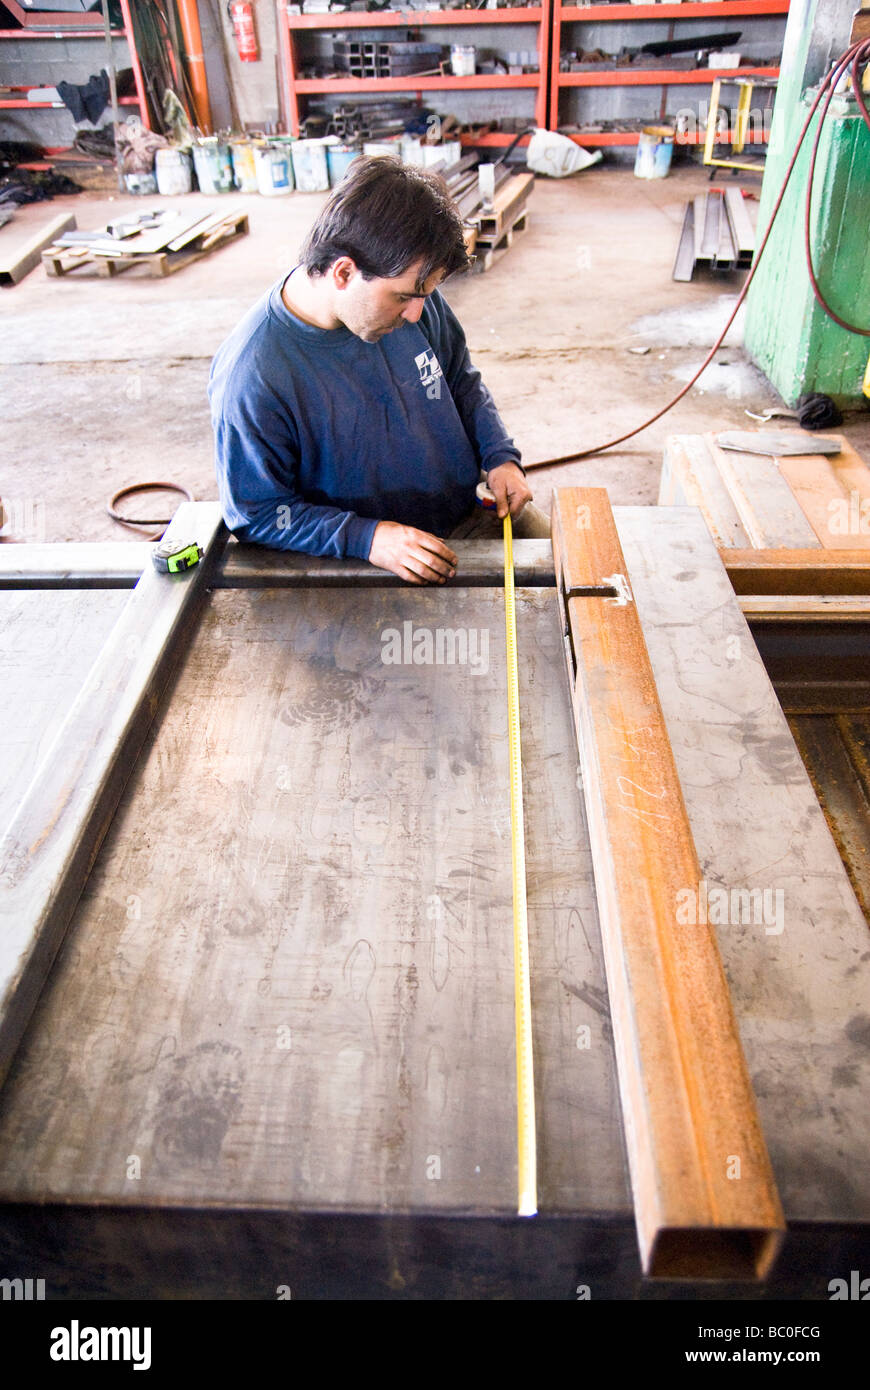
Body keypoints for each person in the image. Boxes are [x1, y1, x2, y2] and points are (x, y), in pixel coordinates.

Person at [208, 156, 548, 586]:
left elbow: (460, 377)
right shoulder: (254, 374)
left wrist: (499, 456)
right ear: (344, 272)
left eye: (425, 295)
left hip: (467, 514)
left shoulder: (411, 295)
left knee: (575, 575)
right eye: (405, 297)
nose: (416, 314)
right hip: (360, 558)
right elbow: (257, 514)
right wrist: (366, 538)